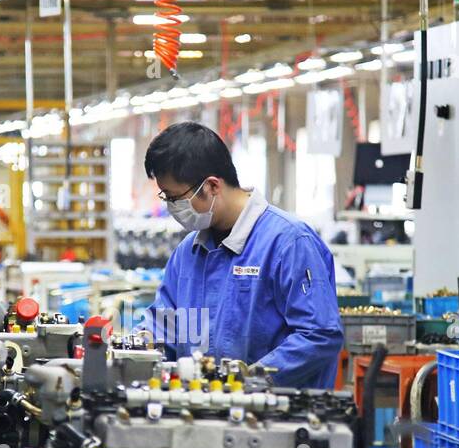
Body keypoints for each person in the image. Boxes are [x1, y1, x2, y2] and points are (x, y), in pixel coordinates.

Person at [140, 121, 343, 389]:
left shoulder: (289, 243)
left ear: (212, 186)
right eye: (166, 198)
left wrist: (249, 380)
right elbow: (163, 327)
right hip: (205, 413)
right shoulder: (187, 254)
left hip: (279, 417)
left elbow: (319, 334)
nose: (171, 208)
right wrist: (135, 349)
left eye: (176, 198)